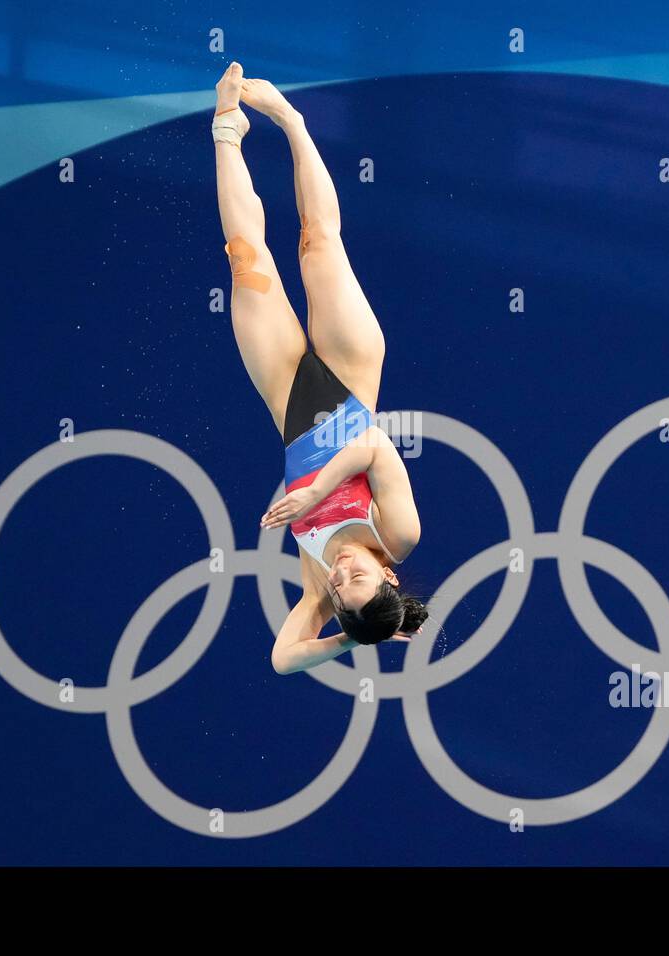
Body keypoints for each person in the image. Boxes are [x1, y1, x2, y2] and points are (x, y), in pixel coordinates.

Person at [211, 62, 427, 675]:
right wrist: (318, 490)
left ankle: (227, 127)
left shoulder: (315, 585)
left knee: (246, 262)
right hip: (352, 372)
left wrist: (349, 640)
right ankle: (292, 122)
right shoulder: (397, 536)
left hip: (287, 400)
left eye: (340, 588)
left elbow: (281, 661)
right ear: (387, 573)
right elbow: (376, 450)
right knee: (318, 241)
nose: (340, 573)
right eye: (358, 576)